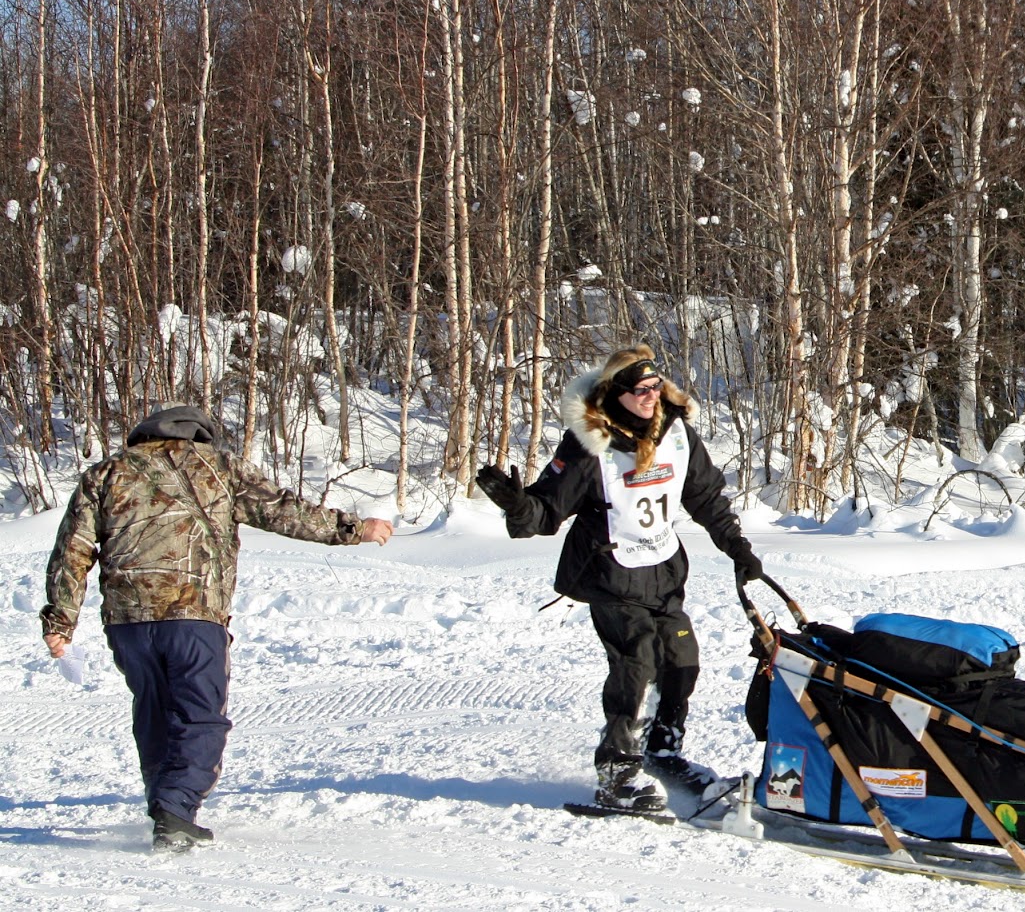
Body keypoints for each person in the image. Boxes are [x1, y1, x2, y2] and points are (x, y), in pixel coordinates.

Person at [40, 405, 394, 850]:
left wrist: (61, 619)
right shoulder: (219, 467)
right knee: (199, 714)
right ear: (200, 434)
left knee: (154, 710)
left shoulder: (105, 474)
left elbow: (71, 549)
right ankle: (176, 809)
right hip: (193, 613)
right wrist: (354, 528)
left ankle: (165, 803)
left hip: (127, 623)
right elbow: (283, 510)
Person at [476, 343, 761, 811]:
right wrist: (517, 504)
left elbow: (706, 497)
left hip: (663, 570)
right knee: (636, 662)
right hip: (611, 572)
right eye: (640, 389)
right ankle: (617, 772)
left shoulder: (676, 433)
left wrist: (739, 549)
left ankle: (662, 752)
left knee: (681, 660)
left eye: (655, 386)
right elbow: (547, 511)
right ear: (616, 393)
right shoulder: (591, 444)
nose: (651, 396)